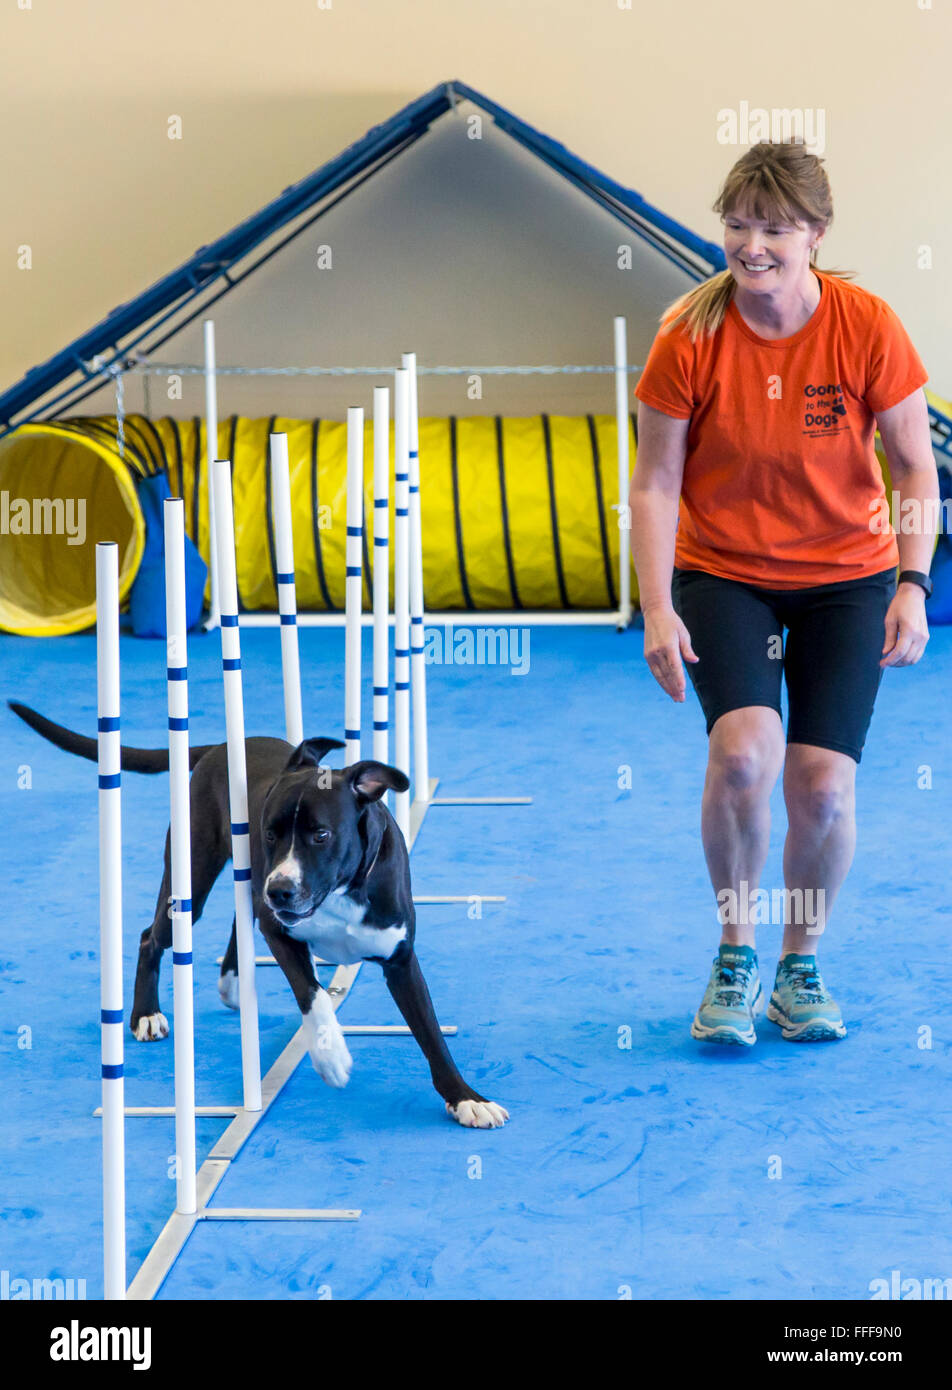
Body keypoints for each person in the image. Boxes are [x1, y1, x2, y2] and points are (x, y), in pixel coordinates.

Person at [629, 140, 937, 1045]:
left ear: (816, 233)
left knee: (823, 790)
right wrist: (656, 605)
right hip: (726, 574)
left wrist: (912, 585)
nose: (752, 245)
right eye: (737, 225)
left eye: (774, 228)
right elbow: (654, 482)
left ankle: (799, 964)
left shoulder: (865, 324)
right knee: (743, 756)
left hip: (848, 577)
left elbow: (916, 468)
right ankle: (735, 955)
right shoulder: (688, 332)